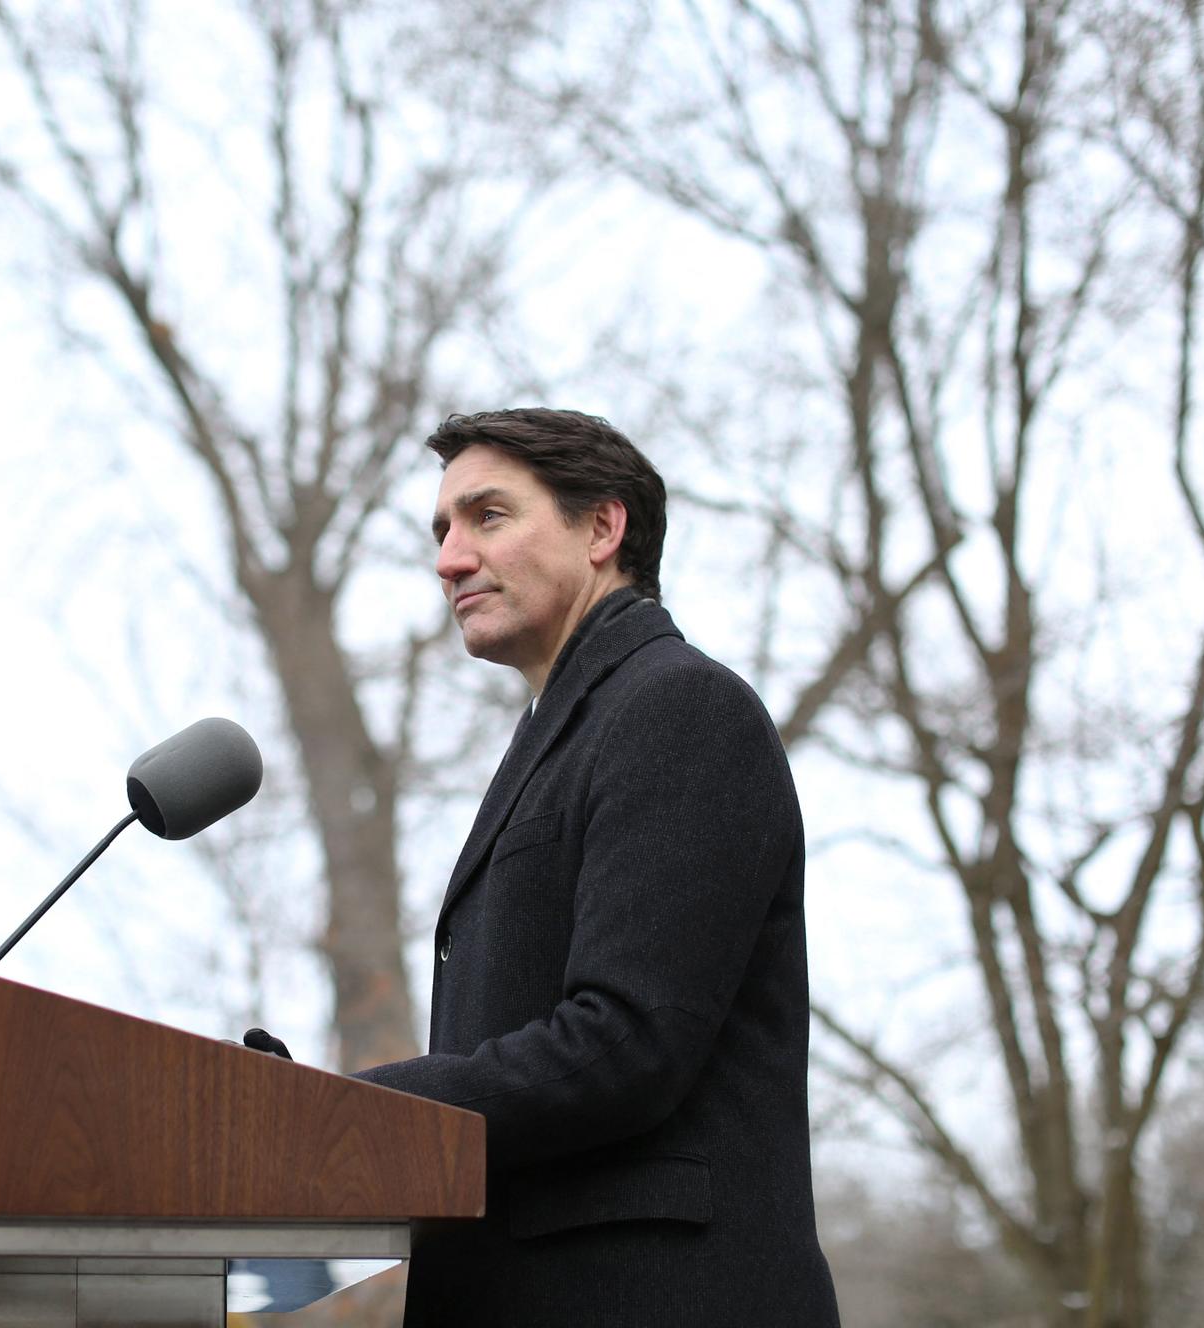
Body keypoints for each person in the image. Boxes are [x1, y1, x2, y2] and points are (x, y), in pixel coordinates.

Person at [350, 409, 841, 1325]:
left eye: (487, 516)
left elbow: (626, 1042)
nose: (449, 559)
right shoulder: (564, 733)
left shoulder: (680, 707)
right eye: (443, 530)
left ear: (602, 529)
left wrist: (354, 1113)